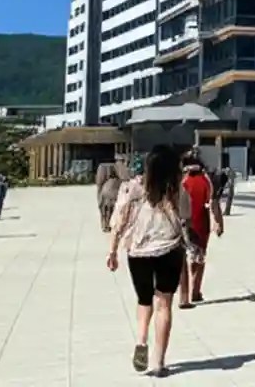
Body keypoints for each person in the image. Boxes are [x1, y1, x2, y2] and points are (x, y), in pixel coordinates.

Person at [107, 146, 186, 377]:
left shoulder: (131, 188)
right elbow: (187, 217)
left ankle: (141, 340)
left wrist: (112, 251)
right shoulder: (176, 190)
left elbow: (118, 220)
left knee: (144, 300)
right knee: (164, 304)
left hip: (138, 252)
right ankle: (159, 362)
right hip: (169, 249)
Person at [178, 153, 223, 309]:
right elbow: (214, 204)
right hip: (201, 224)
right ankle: (195, 290)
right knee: (200, 257)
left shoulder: (181, 181)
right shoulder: (206, 181)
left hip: (182, 224)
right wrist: (219, 223)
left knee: (187, 256)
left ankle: (185, 291)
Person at [96, 162, 123, 232]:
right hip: (112, 199)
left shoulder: (106, 184)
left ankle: (106, 225)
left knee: (106, 210)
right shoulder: (118, 181)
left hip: (107, 198)